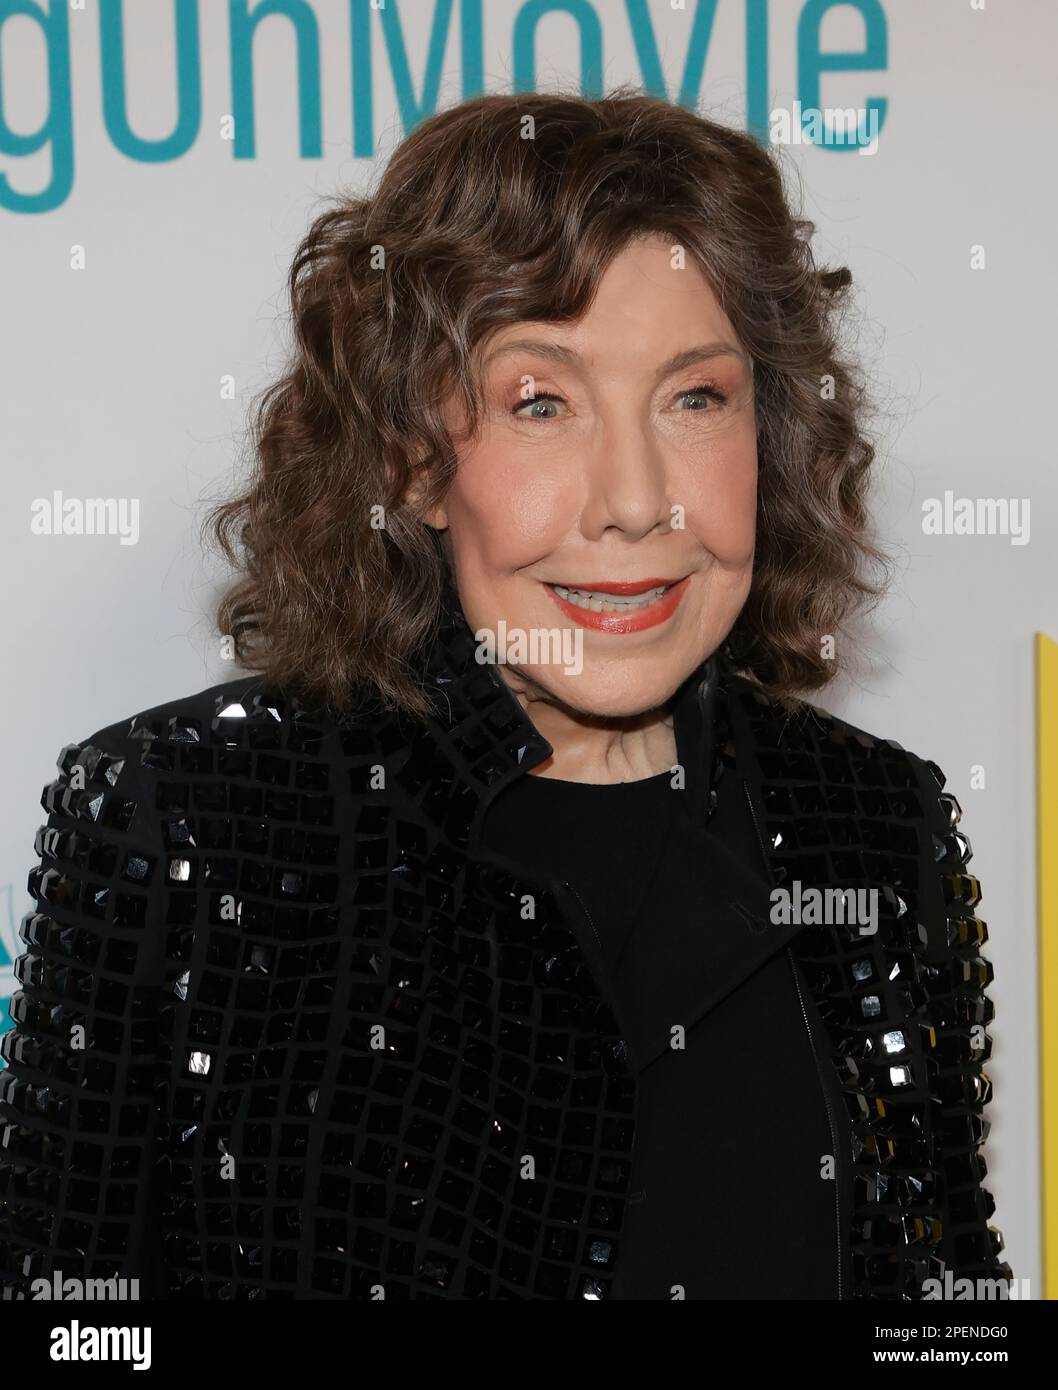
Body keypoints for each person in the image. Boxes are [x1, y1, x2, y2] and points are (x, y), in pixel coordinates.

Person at [0, 88, 1012, 1301]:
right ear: (410, 460)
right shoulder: (191, 821)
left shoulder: (872, 825)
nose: (635, 500)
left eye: (695, 398)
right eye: (541, 401)